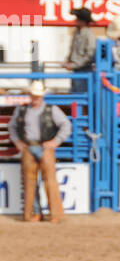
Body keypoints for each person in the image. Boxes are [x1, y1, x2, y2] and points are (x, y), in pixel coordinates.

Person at [8, 80, 72, 223]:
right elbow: (12, 126)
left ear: (41, 96)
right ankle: (35, 214)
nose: (36, 98)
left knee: (48, 180)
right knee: (31, 182)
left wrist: (56, 141)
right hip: (29, 147)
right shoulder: (23, 110)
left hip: (45, 147)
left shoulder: (51, 109)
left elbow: (66, 125)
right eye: (33, 96)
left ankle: (54, 214)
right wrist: (17, 141)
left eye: (37, 96)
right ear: (30, 95)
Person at [63, 7, 97, 71]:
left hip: (85, 70)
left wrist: (75, 65)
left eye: (78, 19)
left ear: (83, 21)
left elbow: (90, 54)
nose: (76, 21)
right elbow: (72, 49)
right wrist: (67, 60)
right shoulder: (76, 33)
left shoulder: (89, 35)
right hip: (76, 69)